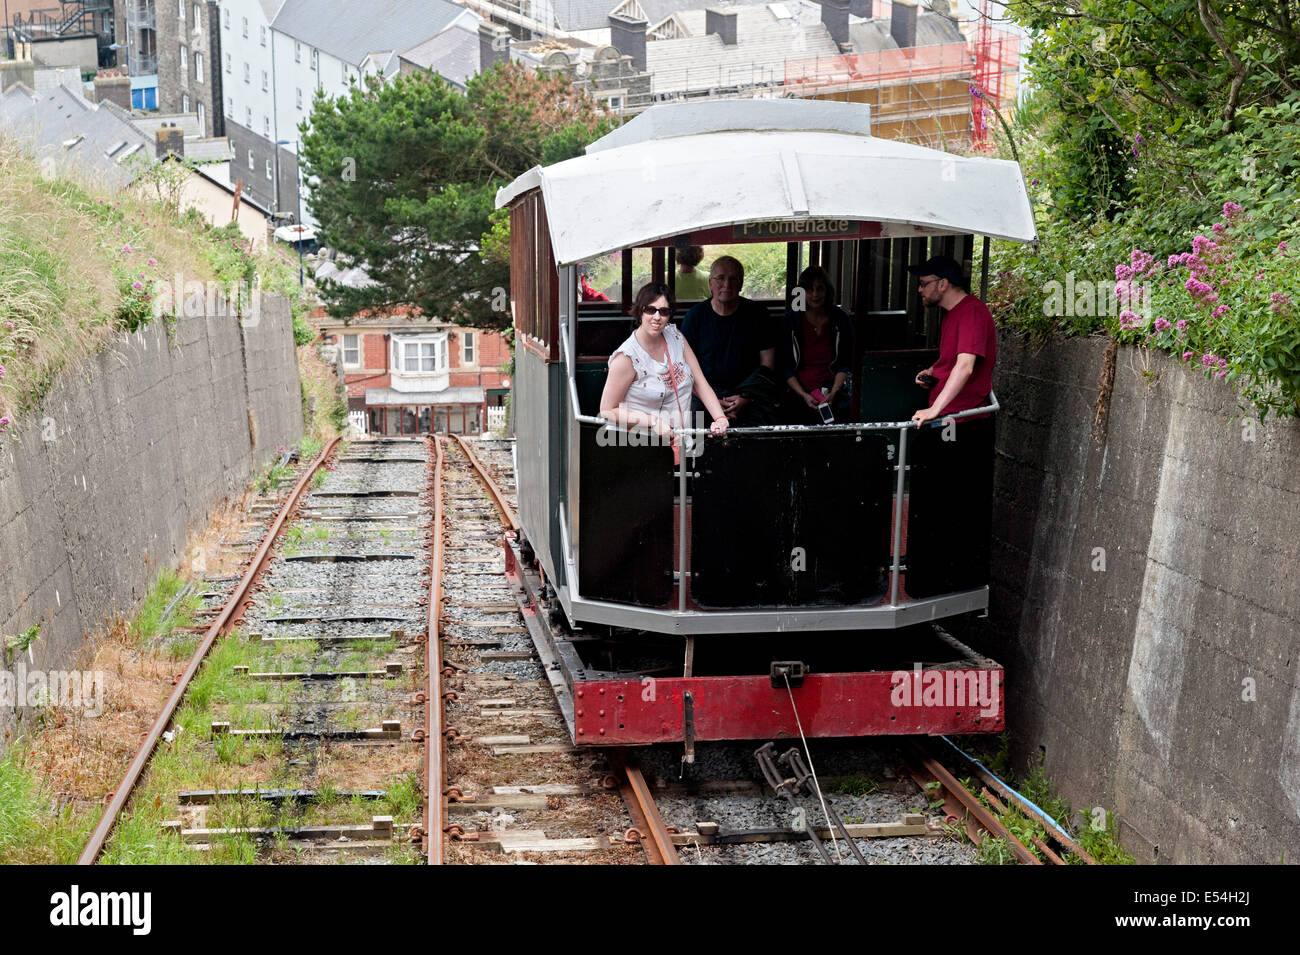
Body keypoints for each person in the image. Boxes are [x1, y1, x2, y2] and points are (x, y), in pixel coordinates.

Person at [599, 283, 729, 454]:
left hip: (680, 445)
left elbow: (700, 383)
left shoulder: (676, 337)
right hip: (639, 449)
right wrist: (652, 421)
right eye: (650, 310)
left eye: (664, 311)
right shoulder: (626, 357)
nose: (657, 317)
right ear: (640, 311)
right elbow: (607, 411)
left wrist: (720, 418)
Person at [680, 256, 780, 425]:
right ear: (710, 283)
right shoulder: (695, 317)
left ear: (741, 284)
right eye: (720, 278)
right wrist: (711, 400)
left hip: (749, 393)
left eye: (733, 279)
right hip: (704, 394)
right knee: (691, 432)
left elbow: (768, 364)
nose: (727, 285)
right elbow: (683, 367)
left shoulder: (758, 314)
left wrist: (746, 397)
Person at [908, 255, 996, 424]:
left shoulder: (972, 313)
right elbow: (953, 360)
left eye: (924, 284)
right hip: (948, 414)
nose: (920, 289)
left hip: (962, 418)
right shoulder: (952, 314)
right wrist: (933, 371)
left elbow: (965, 367)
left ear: (942, 284)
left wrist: (935, 409)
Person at [781, 265, 854, 424]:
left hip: (833, 390)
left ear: (827, 290)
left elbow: (845, 362)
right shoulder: (792, 320)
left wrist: (834, 391)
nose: (815, 294)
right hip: (798, 393)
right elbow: (786, 368)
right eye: (809, 289)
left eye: (819, 288)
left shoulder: (840, 318)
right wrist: (804, 395)